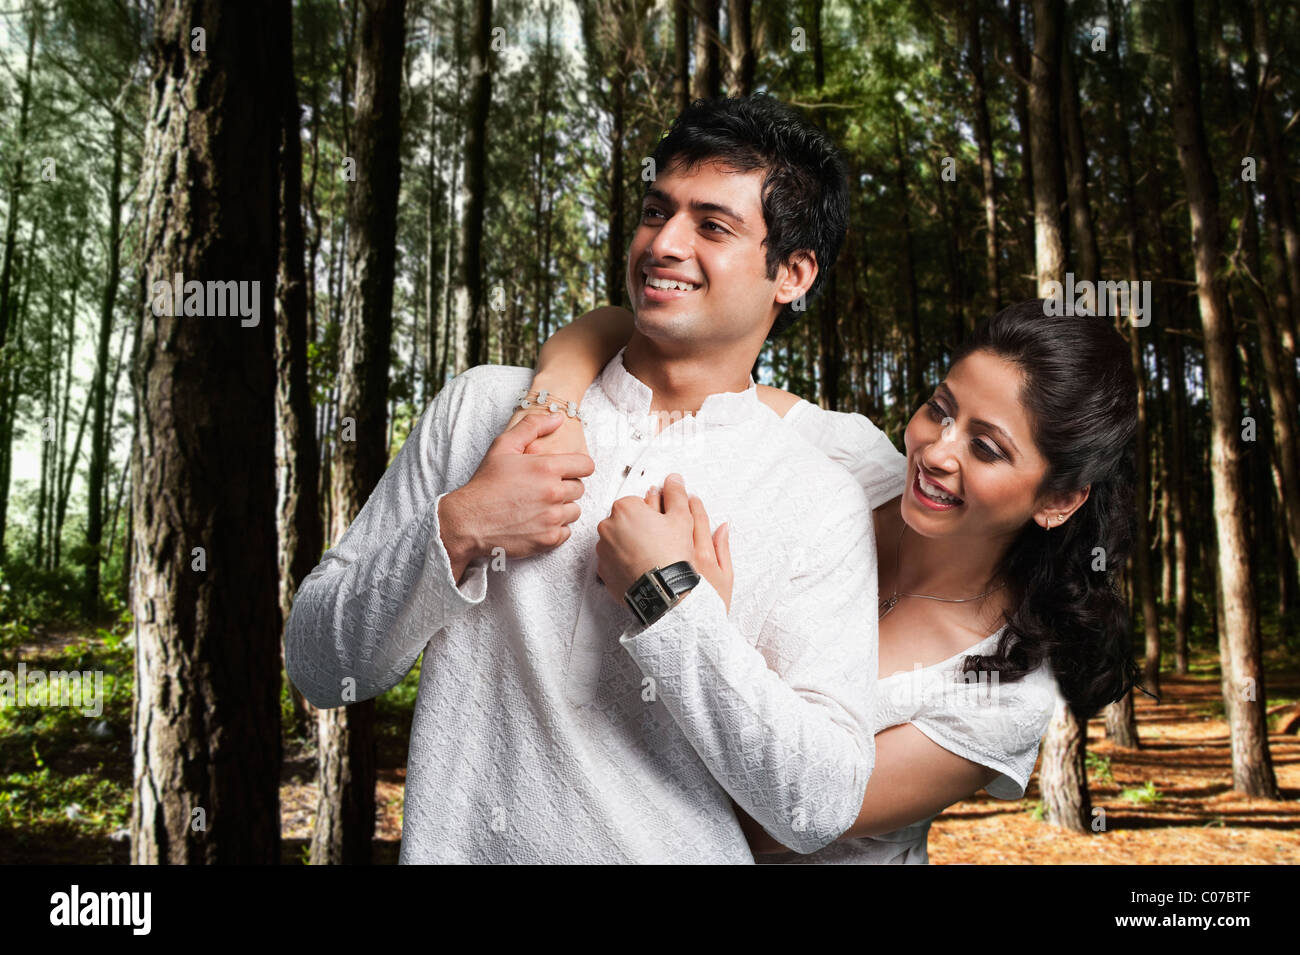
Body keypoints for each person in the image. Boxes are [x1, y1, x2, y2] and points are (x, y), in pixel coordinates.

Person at [284, 94, 901, 863]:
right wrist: (459, 526)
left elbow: (819, 803)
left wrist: (674, 604)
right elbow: (319, 666)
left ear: (794, 273)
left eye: (713, 225)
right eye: (655, 211)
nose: (664, 243)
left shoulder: (821, 499)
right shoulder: (486, 409)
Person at [516, 297, 1141, 862]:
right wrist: (553, 409)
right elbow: (631, 336)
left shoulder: (999, 695)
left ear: (1058, 500)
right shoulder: (845, 457)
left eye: (987, 448)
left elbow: (778, 819)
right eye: (940, 410)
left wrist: (689, 611)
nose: (937, 451)